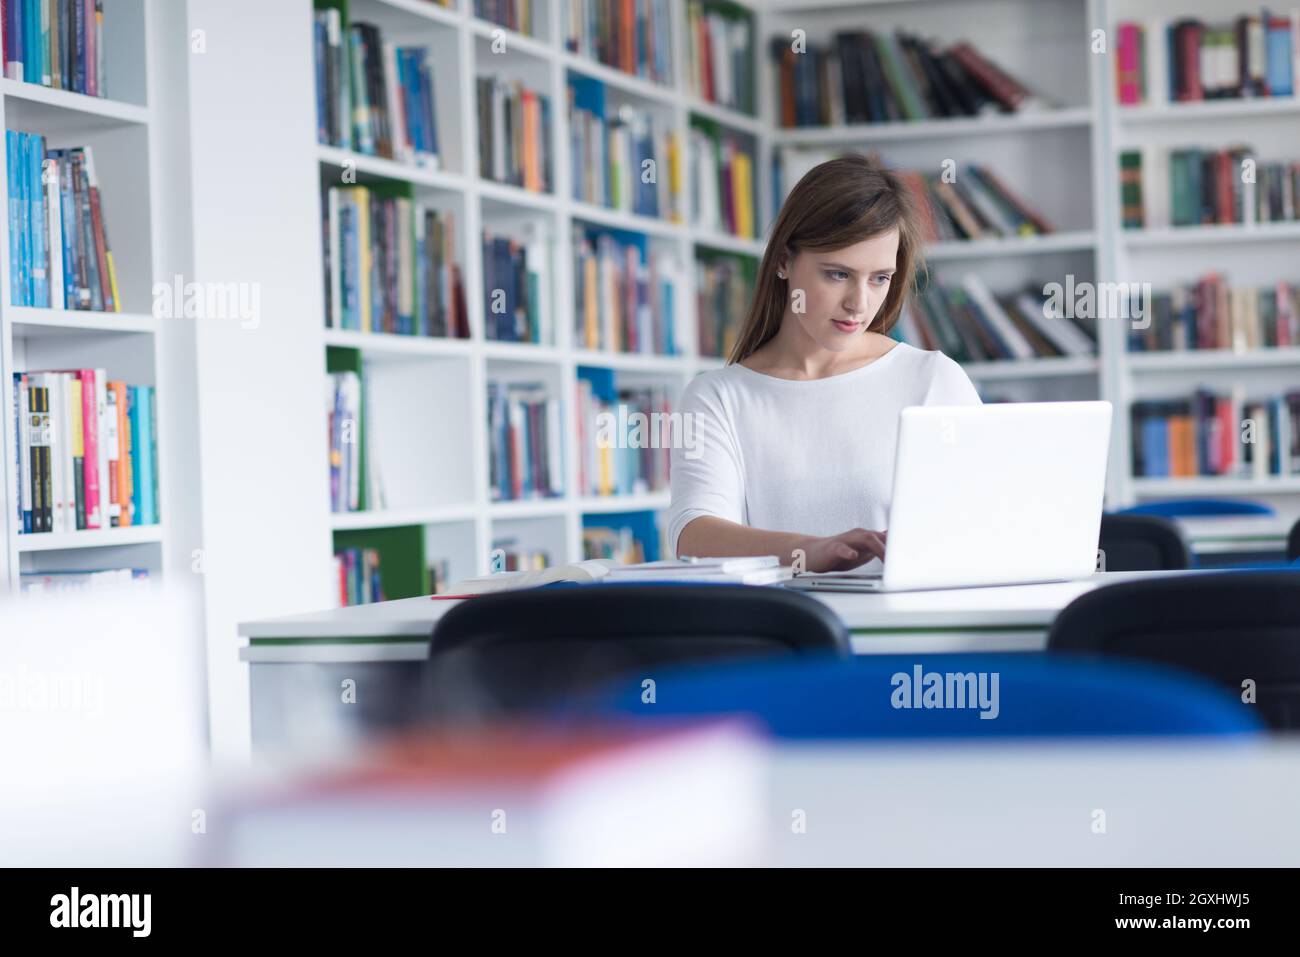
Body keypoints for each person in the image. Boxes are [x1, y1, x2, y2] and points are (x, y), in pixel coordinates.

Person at [668, 153, 981, 573]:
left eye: (879, 278)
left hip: (909, 627)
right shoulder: (719, 397)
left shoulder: (932, 380)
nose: (859, 303)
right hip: (788, 628)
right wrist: (808, 551)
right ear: (783, 260)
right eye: (837, 274)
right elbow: (695, 535)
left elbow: (983, 524)